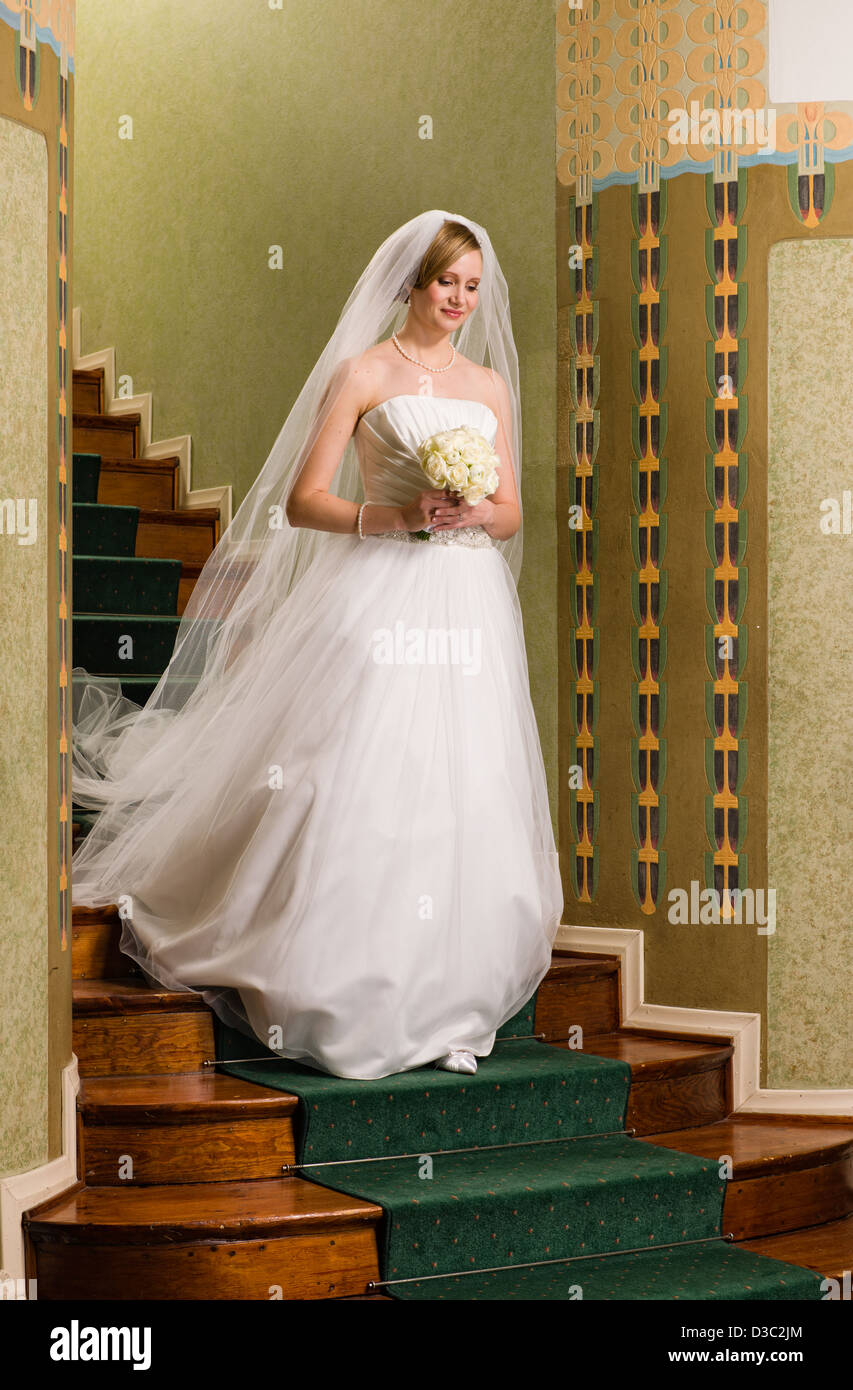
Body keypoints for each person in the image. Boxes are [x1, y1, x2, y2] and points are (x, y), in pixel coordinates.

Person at [71, 209, 564, 1081]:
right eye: (446, 281)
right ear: (410, 282)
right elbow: (303, 502)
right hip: (377, 590)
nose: (459, 299)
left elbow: (514, 510)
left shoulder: (489, 388)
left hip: (464, 601)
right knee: (358, 773)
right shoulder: (362, 372)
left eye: (472, 286)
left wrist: (477, 514)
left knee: (465, 782)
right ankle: (334, 978)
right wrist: (397, 516)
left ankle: (450, 991)